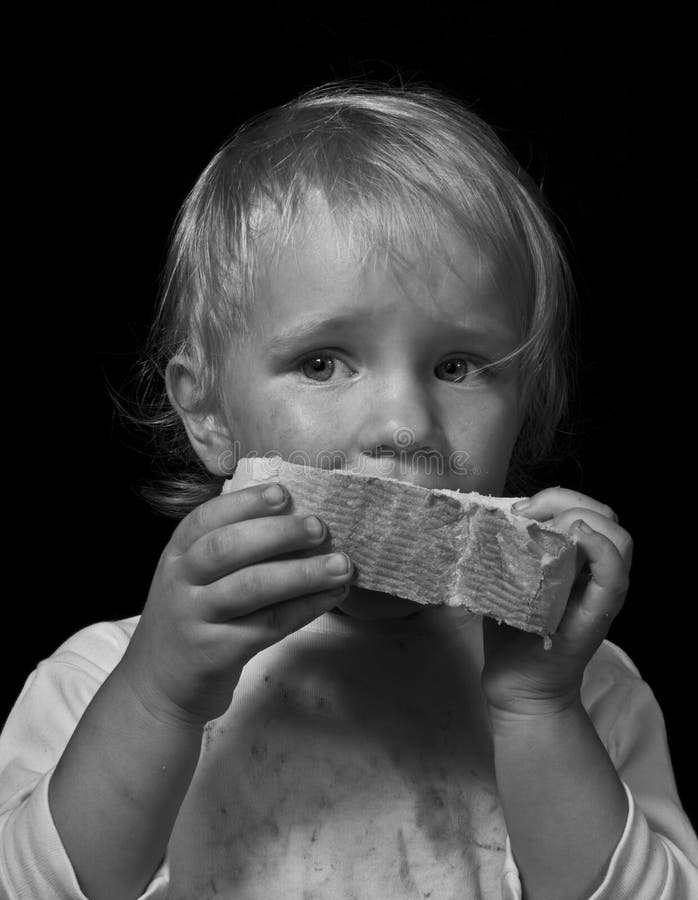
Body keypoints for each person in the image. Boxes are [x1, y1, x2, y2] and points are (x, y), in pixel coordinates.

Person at [1, 82, 696, 900]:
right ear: (207, 410)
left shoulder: (588, 686)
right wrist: (159, 700)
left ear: (526, 409)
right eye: (322, 361)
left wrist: (536, 710)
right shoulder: (101, 680)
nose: (405, 425)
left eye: (458, 367)